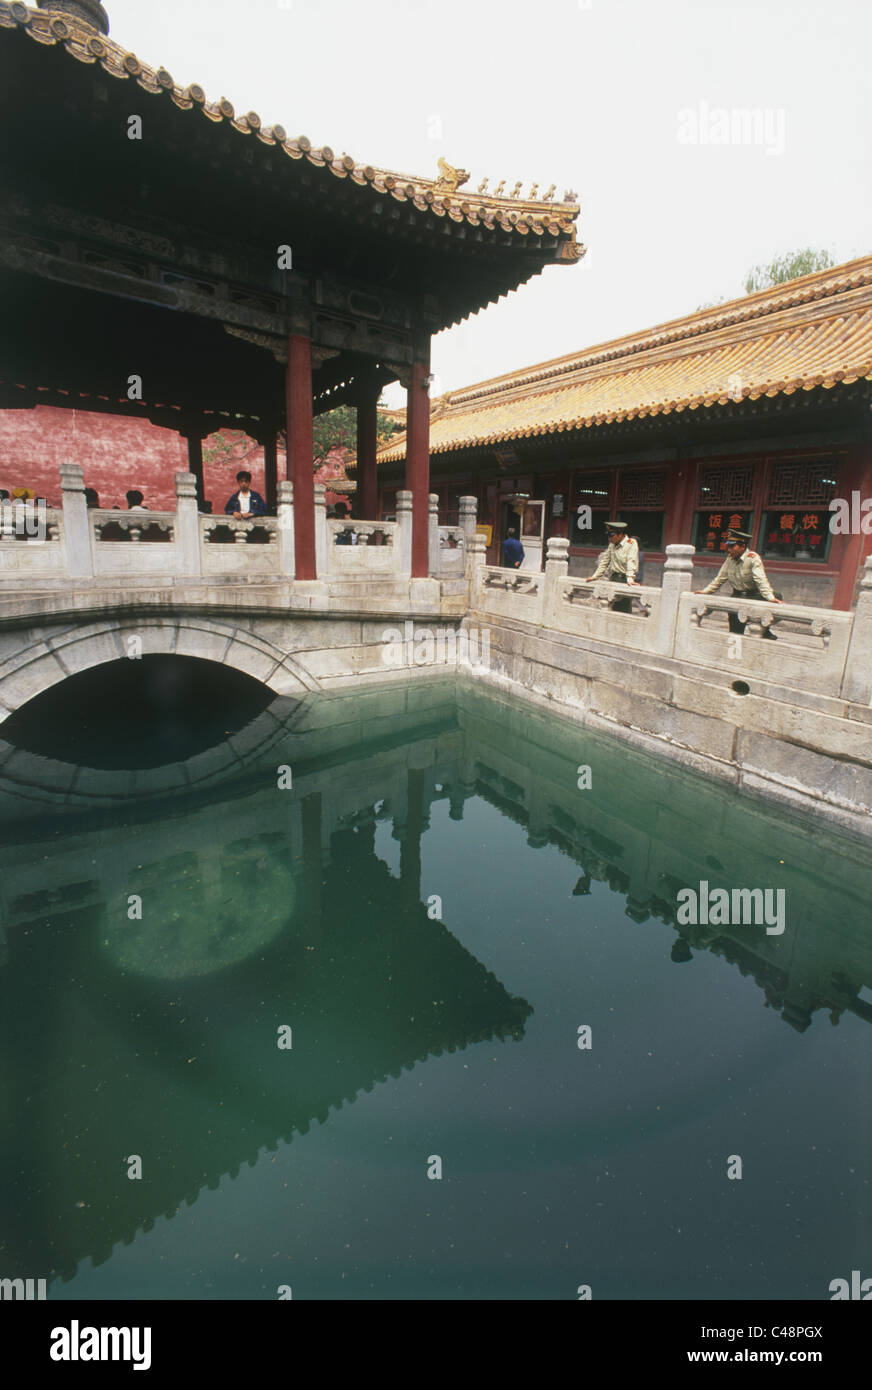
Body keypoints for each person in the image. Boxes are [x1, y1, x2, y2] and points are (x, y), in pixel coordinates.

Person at [696, 529, 781, 640]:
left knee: (777, 596)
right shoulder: (730, 559)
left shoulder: (752, 558)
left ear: (742, 546)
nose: (729, 550)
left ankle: (765, 630)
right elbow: (719, 579)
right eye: (728, 546)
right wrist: (705, 591)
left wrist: (770, 597)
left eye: (732, 546)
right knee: (735, 633)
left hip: (754, 595)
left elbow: (761, 580)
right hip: (738, 596)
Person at [582, 520, 639, 613]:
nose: (609, 538)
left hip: (624, 579)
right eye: (608, 535)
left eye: (611, 535)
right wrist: (595, 576)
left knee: (624, 607)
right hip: (613, 577)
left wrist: (630, 578)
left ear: (620, 535)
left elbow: (631, 561)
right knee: (611, 606)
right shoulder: (612, 544)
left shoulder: (631, 543)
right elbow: (605, 561)